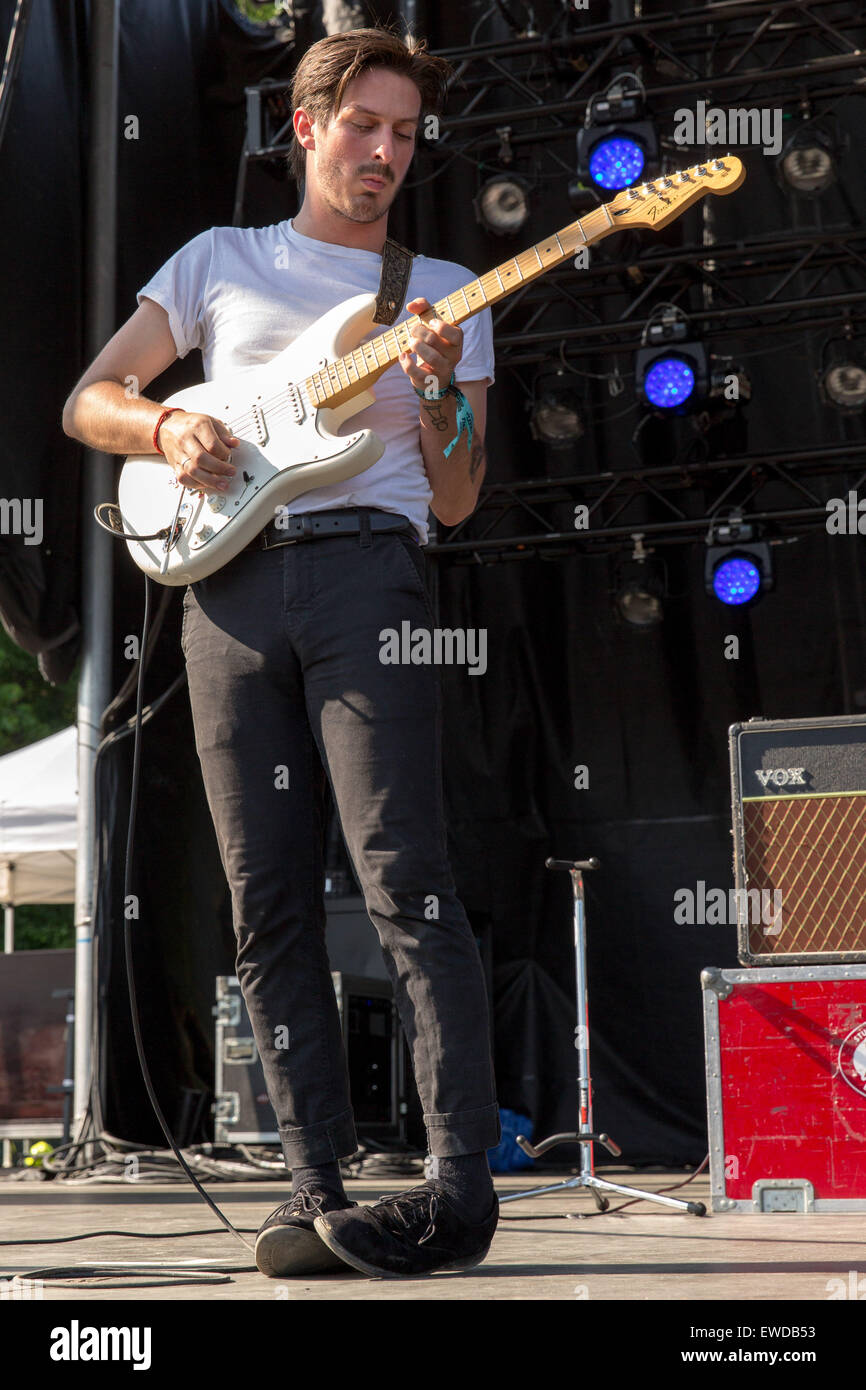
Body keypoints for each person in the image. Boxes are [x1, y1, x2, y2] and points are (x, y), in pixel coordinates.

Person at [62, 25, 500, 1281]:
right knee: (264, 900)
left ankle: (456, 1191)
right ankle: (312, 1190)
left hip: (372, 573)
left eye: (404, 133)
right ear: (304, 128)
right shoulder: (220, 260)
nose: (383, 152)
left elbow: (459, 495)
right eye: (361, 124)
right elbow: (90, 398)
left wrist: (440, 391)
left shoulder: (442, 291)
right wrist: (165, 431)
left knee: (402, 876)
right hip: (228, 591)